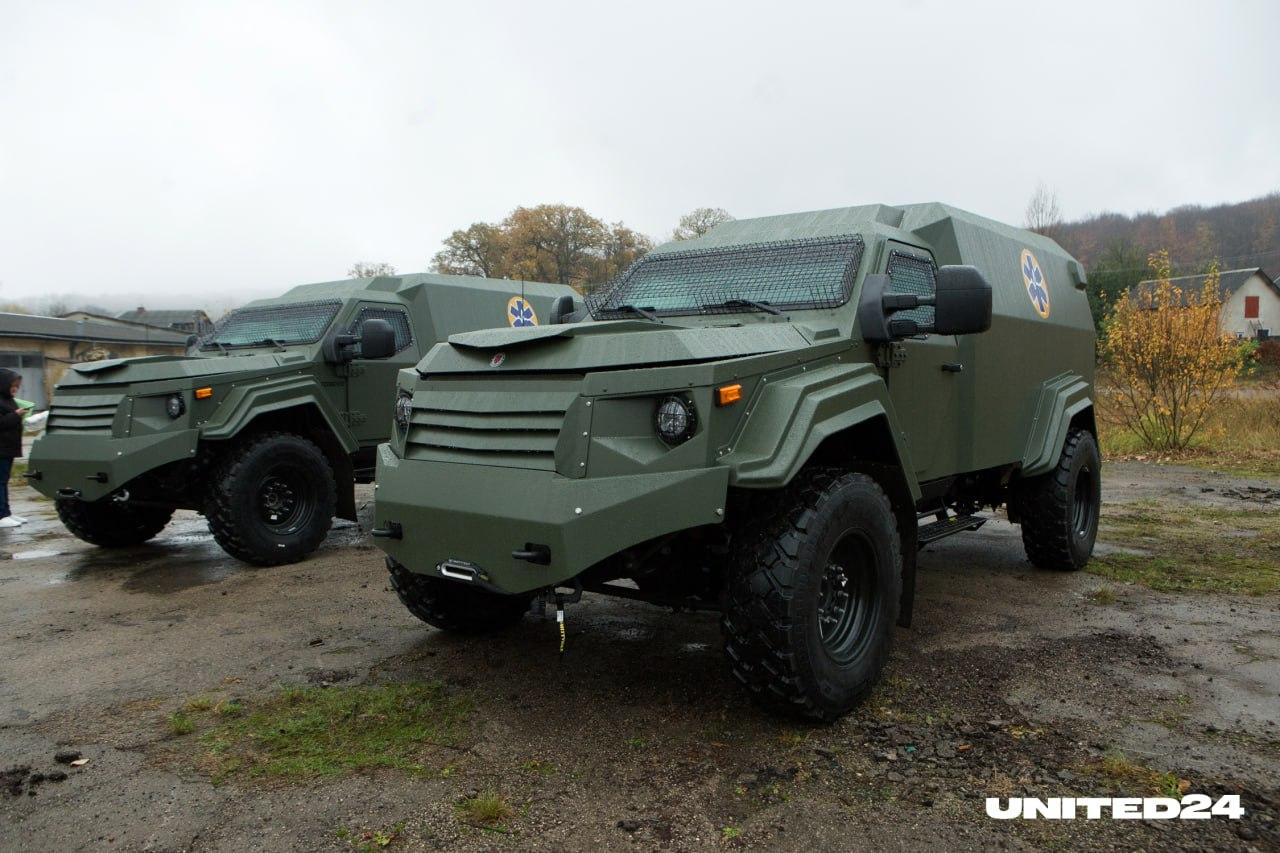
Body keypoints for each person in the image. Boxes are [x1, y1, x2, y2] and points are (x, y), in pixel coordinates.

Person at [0, 368, 31, 528]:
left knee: (4, 481)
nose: (15, 389)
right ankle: (1, 515)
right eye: (12, 385)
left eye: (17, 386)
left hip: (8, 448)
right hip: (1, 448)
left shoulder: (8, 400)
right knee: (0, 482)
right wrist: (16, 415)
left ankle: (6, 512)